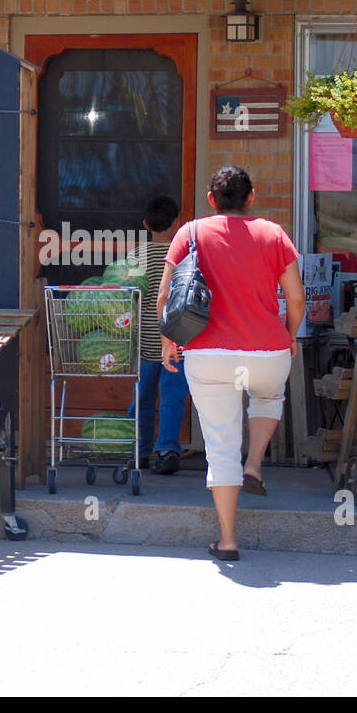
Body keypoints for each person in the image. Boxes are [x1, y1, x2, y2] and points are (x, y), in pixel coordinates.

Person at [159, 167, 304, 562]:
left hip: (208, 355)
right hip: (267, 351)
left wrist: (169, 340)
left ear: (211, 199)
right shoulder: (274, 235)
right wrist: (289, 335)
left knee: (220, 448)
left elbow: (167, 295)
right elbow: (295, 300)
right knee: (268, 395)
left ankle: (227, 541)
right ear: (251, 196)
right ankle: (255, 464)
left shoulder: (189, 233)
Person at [125, 195, 189, 475]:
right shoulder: (183, 258)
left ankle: (138, 451)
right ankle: (167, 451)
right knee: (173, 398)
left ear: (145, 224)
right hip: (177, 342)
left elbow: (127, 302)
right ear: (177, 223)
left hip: (144, 345)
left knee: (142, 400)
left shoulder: (135, 258)